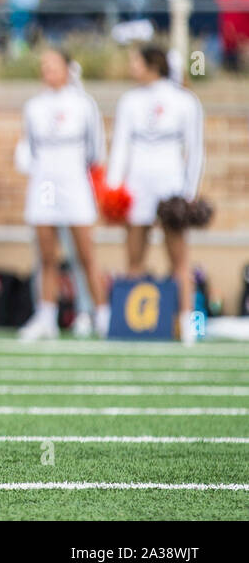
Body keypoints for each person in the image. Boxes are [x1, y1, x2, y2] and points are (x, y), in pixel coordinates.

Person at [106, 45, 205, 344]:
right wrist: (114, 188)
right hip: (137, 187)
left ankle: (189, 323)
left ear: (153, 65)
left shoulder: (186, 101)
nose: (131, 66)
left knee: (179, 258)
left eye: (137, 61)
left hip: (171, 187)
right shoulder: (130, 101)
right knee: (134, 256)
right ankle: (132, 324)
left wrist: (189, 192)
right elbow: (121, 146)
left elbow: (195, 149)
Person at [15, 49, 111, 341]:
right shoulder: (34, 106)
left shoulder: (84, 105)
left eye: (54, 65)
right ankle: (46, 316)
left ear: (68, 69)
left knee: (86, 254)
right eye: (44, 66)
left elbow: (96, 151)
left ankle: (103, 315)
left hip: (75, 183)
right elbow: (28, 148)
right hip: (44, 185)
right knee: (46, 255)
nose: (48, 71)